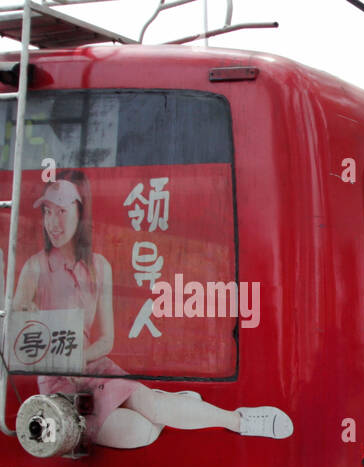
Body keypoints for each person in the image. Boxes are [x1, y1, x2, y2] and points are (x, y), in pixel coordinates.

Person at [13, 172, 292, 447]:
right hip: (59, 389)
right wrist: (28, 320)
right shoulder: (34, 268)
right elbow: (17, 342)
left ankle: (240, 421)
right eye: (47, 212)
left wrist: (79, 359)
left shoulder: (99, 267)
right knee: (140, 432)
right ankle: (176, 404)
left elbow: (106, 340)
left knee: (154, 407)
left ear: (80, 212)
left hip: (96, 368)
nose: (53, 223)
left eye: (61, 211)